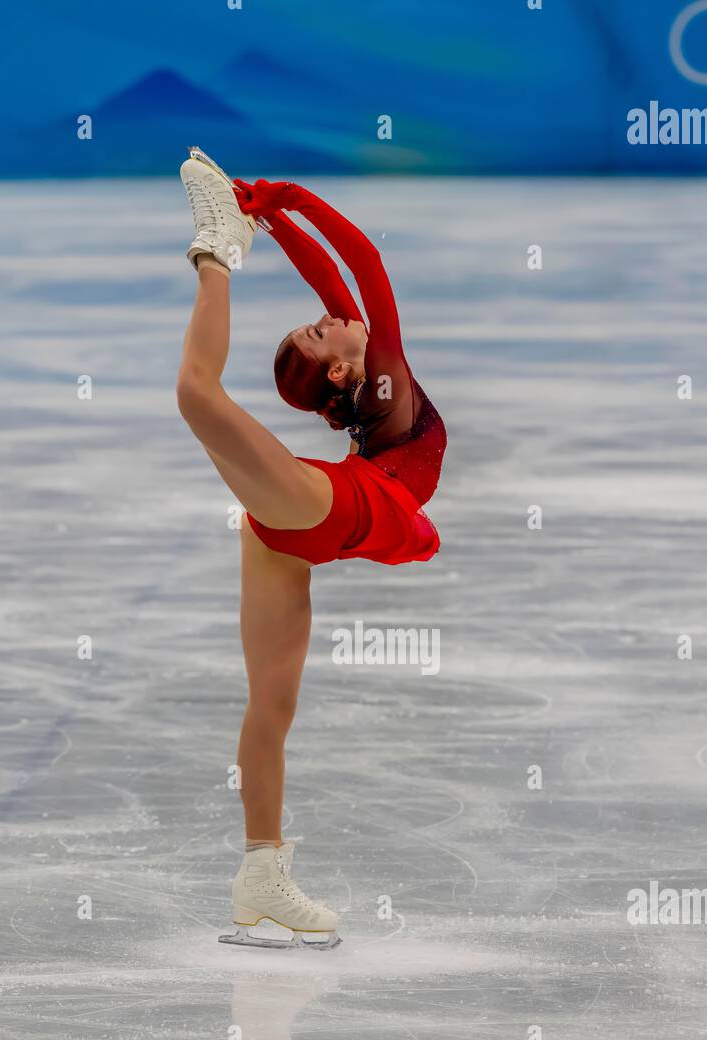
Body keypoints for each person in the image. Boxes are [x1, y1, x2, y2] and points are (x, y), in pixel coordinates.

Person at [176, 148, 447, 948]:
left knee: (272, 704)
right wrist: (284, 198)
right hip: (347, 504)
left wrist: (275, 216)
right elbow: (364, 263)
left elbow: (333, 281)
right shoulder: (381, 365)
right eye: (324, 326)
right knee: (196, 393)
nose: (333, 311)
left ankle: (262, 872)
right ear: (338, 368)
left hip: (305, 522)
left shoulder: (365, 371)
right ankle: (214, 251)